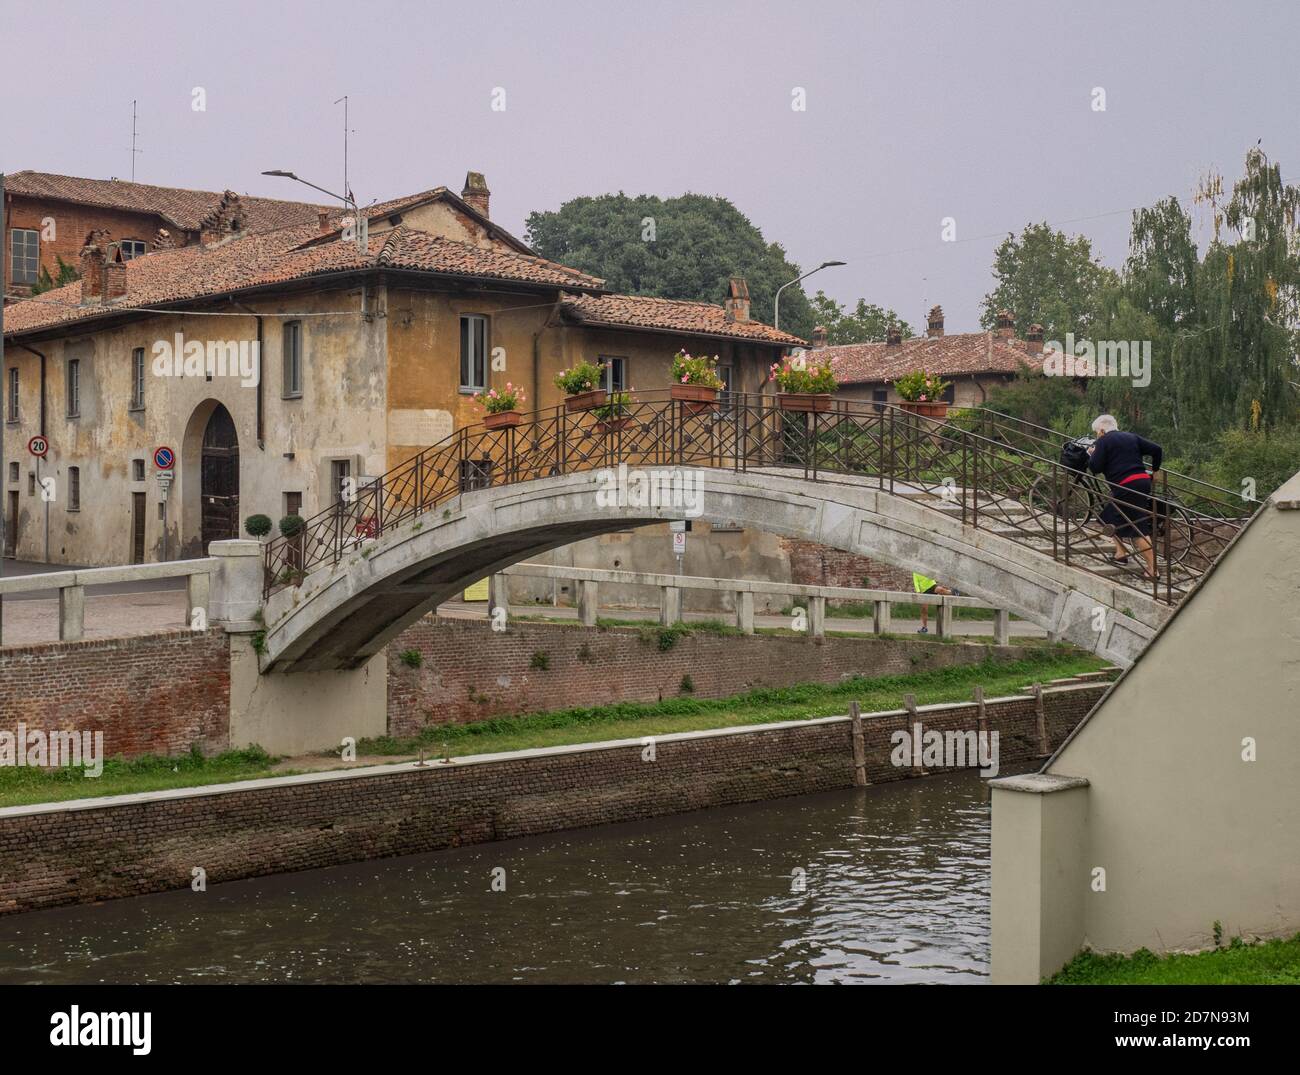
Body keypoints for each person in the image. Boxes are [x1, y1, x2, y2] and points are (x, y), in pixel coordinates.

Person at [1085, 414, 1163, 580]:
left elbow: (1095, 467)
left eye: (1096, 432)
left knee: (1137, 528)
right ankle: (1121, 554)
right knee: (1109, 516)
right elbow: (1157, 449)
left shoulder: (1104, 440)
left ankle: (1153, 569)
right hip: (1142, 482)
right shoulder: (1131, 437)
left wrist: (1092, 453)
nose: (1096, 435)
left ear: (1102, 430)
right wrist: (1155, 470)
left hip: (1126, 485)